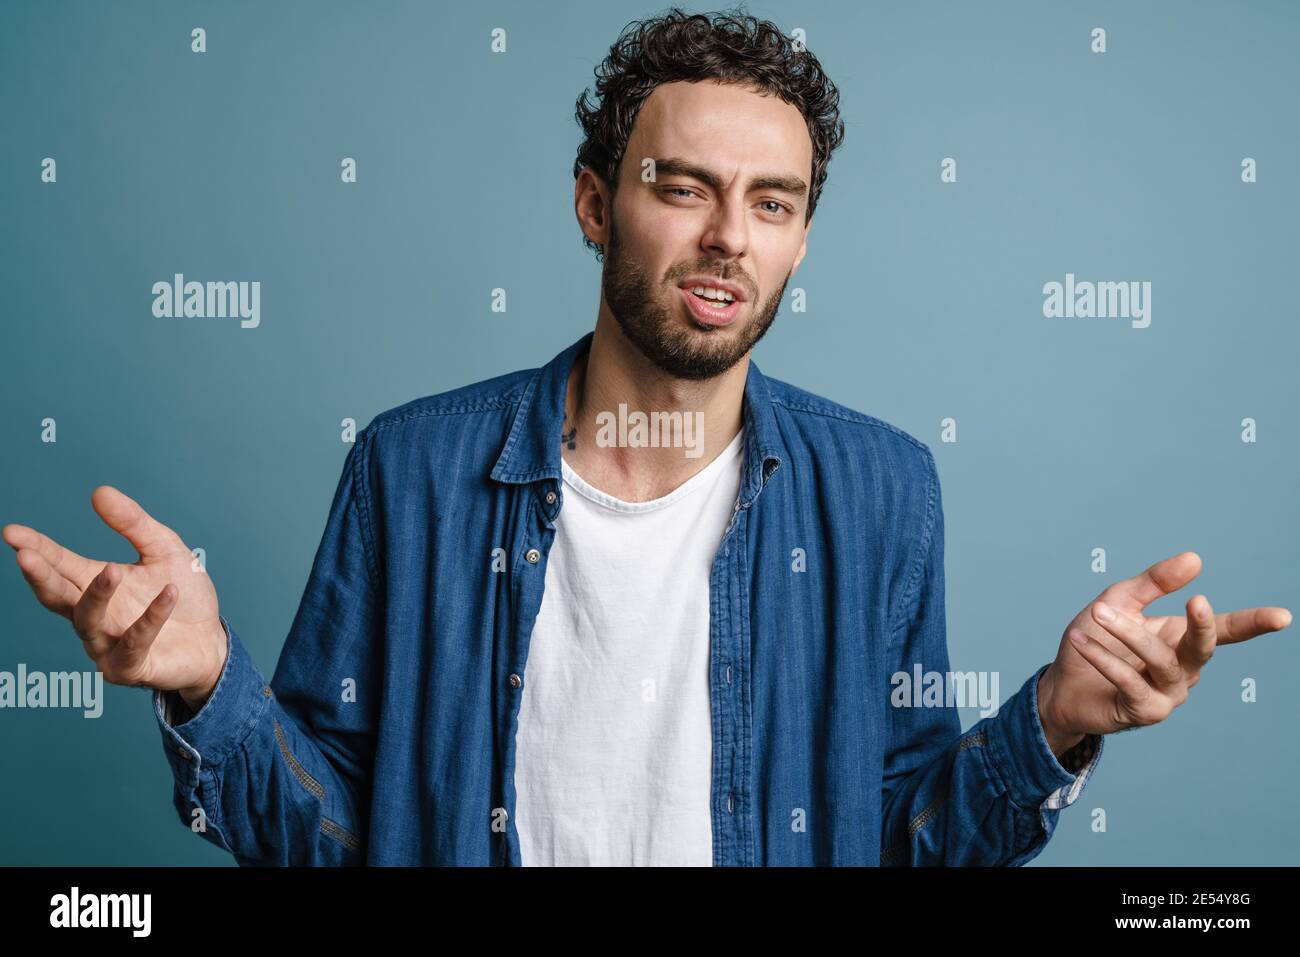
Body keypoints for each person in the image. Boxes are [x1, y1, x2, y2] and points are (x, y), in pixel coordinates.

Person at [4, 8, 1291, 867]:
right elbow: (331, 833)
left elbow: (908, 841)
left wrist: (1061, 721)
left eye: (771, 202)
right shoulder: (414, 469)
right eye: (684, 187)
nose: (729, 235)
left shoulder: (884, 489)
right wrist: (201, 681)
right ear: (592, 204)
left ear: (797, 236)